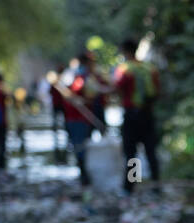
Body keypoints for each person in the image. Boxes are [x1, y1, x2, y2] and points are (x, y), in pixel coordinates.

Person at [113, 37, 160, 193]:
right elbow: (157, 91)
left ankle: (131, 186)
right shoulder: (150, 68)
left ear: (125, 51)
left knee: (131, 152)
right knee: (150, 150)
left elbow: (117, 89)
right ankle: (156, 186)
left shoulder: (124, 69)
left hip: (131, 115)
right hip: (148, 113)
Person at [61, 53, 102, 185]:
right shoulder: (80, 78)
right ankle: (84, 177)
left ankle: (85, 176)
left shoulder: (83, 77)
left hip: (81, 118)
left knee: (81, 147)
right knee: (79, 147)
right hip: (77, 118)